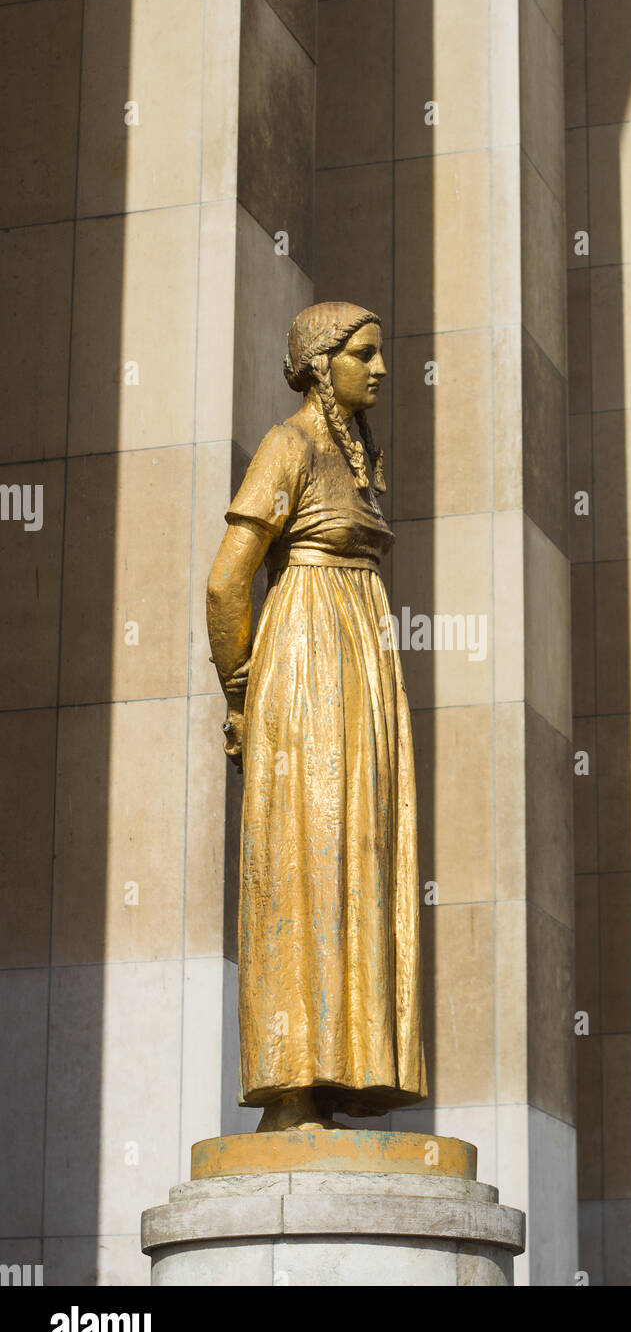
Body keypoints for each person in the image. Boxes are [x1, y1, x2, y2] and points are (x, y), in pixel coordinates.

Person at [206, 302, 427, 1131]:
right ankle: (292, 1084)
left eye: (380, 353)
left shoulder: (362, 455)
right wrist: (240, 691)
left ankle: (341, 1071)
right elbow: (228, 582)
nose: (379, 369)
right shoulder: (289, 444)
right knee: (308, 846)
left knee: (358, 848)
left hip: (362, 658)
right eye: (363, 355)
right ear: (317, 361)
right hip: (305, 657)